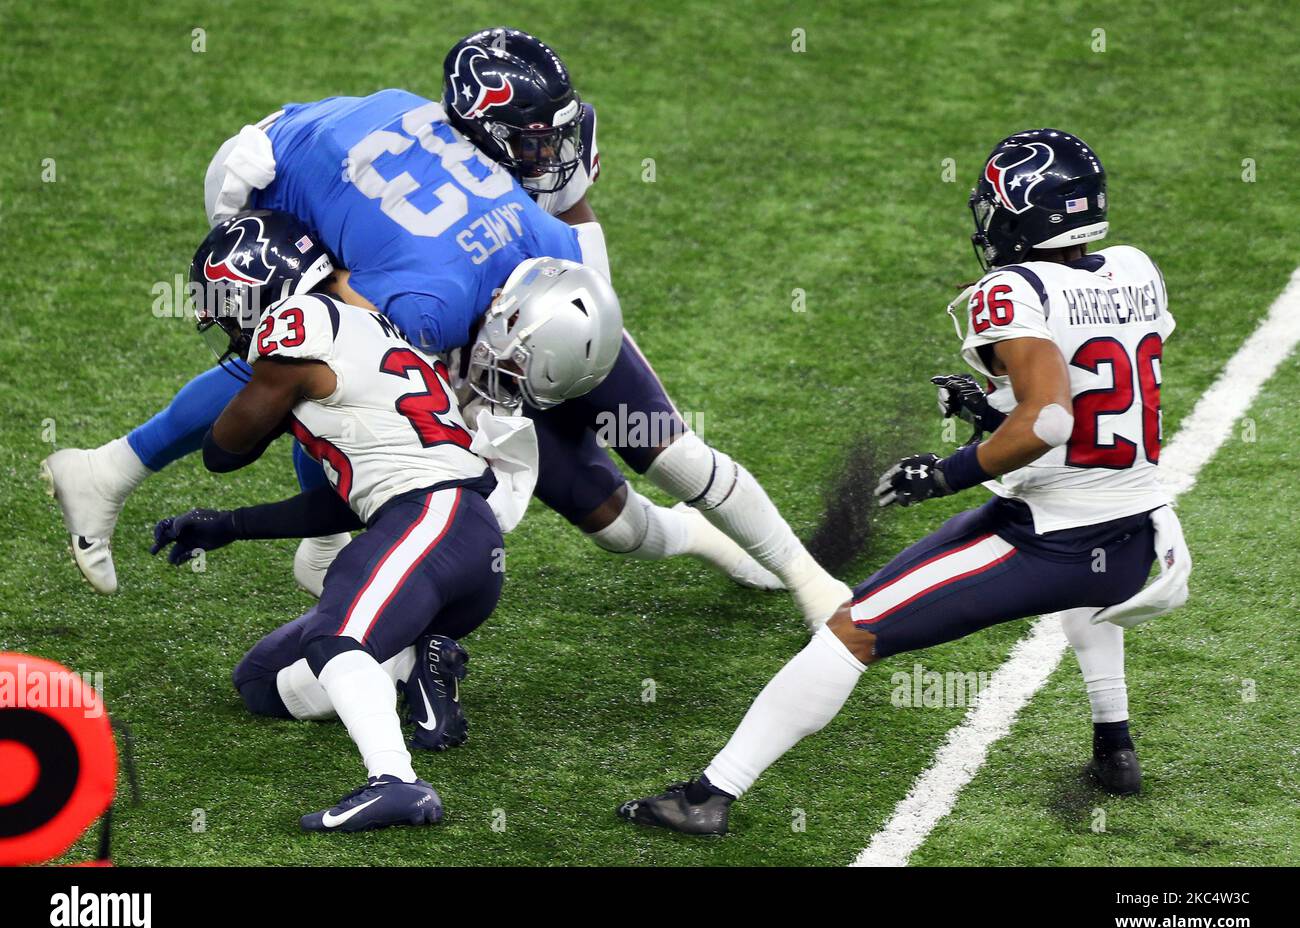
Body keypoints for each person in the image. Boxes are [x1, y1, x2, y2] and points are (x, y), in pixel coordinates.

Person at [44, 28, 848, 629]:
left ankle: (797, 573)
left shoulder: (552, 242)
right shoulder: (420, 305)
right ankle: (112, 470)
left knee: (657, 458)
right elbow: (313, 358)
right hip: (268, 173)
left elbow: (574, 233)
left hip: (437, 237)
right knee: (302, 348)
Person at [616, 129, 1192, 835]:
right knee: (1088, 591)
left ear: (1022, 214)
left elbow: (1048, 422)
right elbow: (1105, 403)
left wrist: (944, 472)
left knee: (850, 630)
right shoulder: (1135, 268)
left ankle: (710, 795)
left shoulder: (1014, 289)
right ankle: (1116, 744)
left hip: (1052, 539)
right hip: (1139, 537)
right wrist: (991, 410)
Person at [151, 210, 621, 831]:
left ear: (260, 289)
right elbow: (350, 499)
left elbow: (223, 450)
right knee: (263, 682)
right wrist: (232, 526)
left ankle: (394, 781)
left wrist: (262, 411)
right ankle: (420, 658)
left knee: (335, 636)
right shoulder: (366, 326)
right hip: (448, 535)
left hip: (432, 519)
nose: (231, 321)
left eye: (230, 301)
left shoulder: (297, 323)